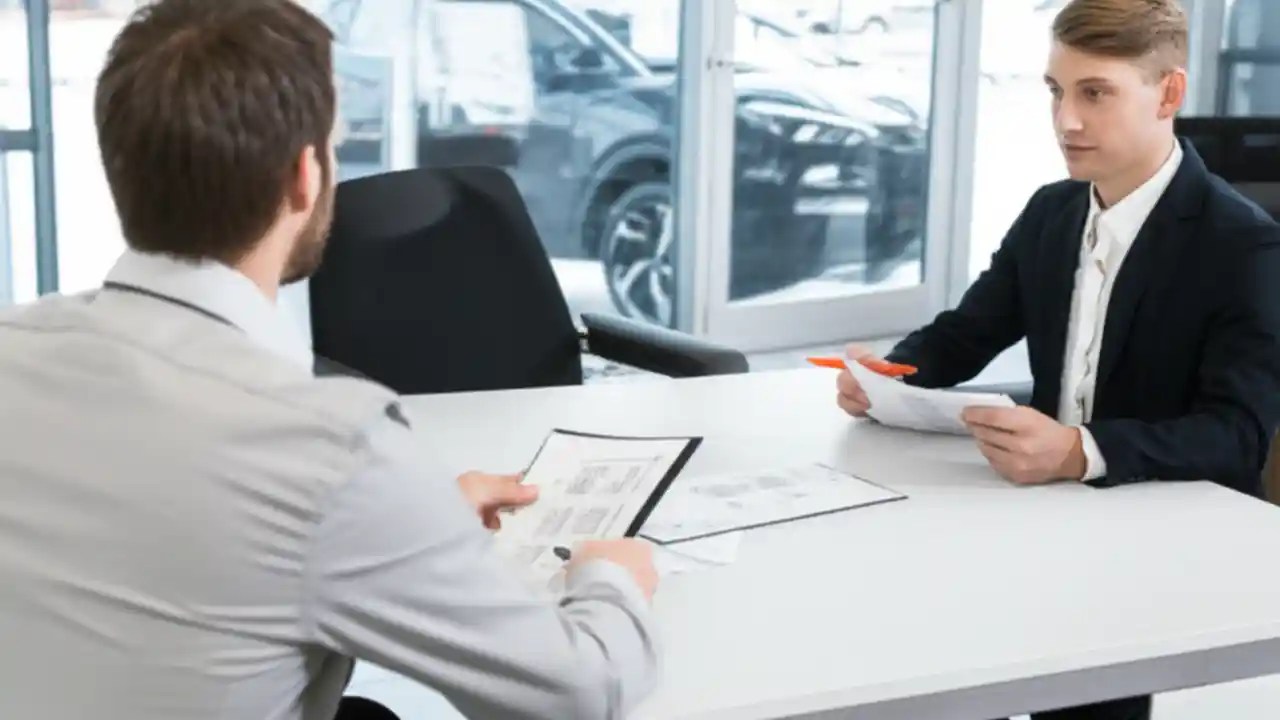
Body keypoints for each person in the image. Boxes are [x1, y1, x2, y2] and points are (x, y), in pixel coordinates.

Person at [0, 1, 659, 719]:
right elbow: (578, 696)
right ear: (304, 175)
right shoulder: (326, 445)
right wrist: (608, 580)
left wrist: (413, 518)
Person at [836, 0, 1280, 718]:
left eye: (1094, 93)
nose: (1066, 120)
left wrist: (1080, 451)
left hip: (1162, 533)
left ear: (1168, 92)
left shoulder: (1243, 244)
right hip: (1046, 519)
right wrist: (888, 374)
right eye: (1055, 90)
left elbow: (1238, 435)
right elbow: (964, 334)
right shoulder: (1053, 212)